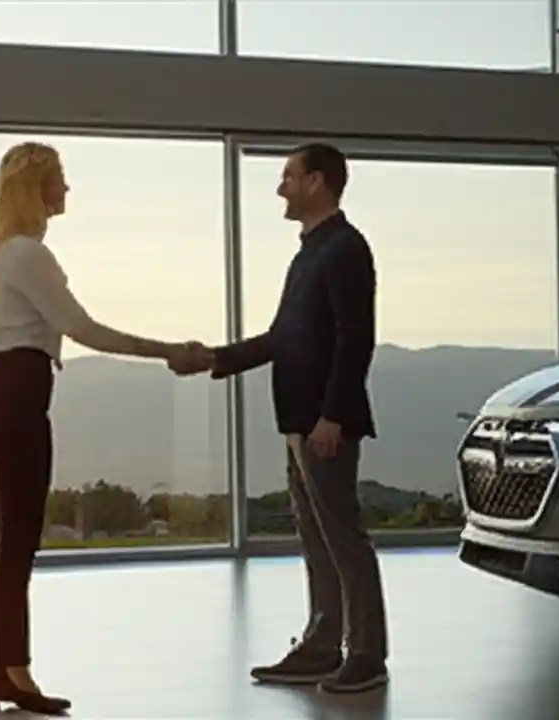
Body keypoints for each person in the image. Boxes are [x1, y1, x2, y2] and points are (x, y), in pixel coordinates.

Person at [0, 141, 209, 714]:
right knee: (17, 538)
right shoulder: (27, 254)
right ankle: (12, 672)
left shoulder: (3, 255)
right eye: (60, 180)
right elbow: (83, 328)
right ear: (37, 189)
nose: (67, 190)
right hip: (15, 396)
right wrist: (165, 350)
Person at [172, 143, 388, 694]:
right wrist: (215, 359)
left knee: (342, 537)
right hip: (298, 419)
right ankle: (321, 646)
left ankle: (365, 655)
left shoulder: (344, 249)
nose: (280, 188)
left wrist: (333, 415)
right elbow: (283, 338)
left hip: (321, 422)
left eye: (288, 176)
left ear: (317, 181)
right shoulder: (309, 253)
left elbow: (355, 337)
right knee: (316, 539)